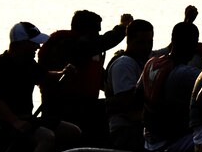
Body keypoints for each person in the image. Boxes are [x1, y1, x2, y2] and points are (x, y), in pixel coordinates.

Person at [0, 21, 81, 152]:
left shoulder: (28, 63)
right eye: (34, 43)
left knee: (73, 132)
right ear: (21, 44)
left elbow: (45, 77)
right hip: (3, 124)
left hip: (27, 119)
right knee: (46, 137)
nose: (38, 47)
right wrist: (15, 122)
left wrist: (63, 73)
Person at [37, 10, 132, 143]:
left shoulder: (89, 51)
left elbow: (98, 76)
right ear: (86, 30)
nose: (98, 35)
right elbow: (102, 42)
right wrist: (122, 28)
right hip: (64, 108)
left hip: (86, 104)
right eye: (96, 31)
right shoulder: (66, 44)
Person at [139, 21, 201, 152]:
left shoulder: (151, 64)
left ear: (172, 40)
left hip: (149, 140)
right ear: (194, 43)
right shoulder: (187, 73)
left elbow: (137, 95)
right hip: (172, 142)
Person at [103, 18, 154, 150]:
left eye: (150, 42)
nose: (147, 47)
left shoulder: (142, 61)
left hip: (140, 128)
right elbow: (127, 102)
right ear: (129, 41)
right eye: (141, 42)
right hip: (126, 131)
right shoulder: (124, 64)